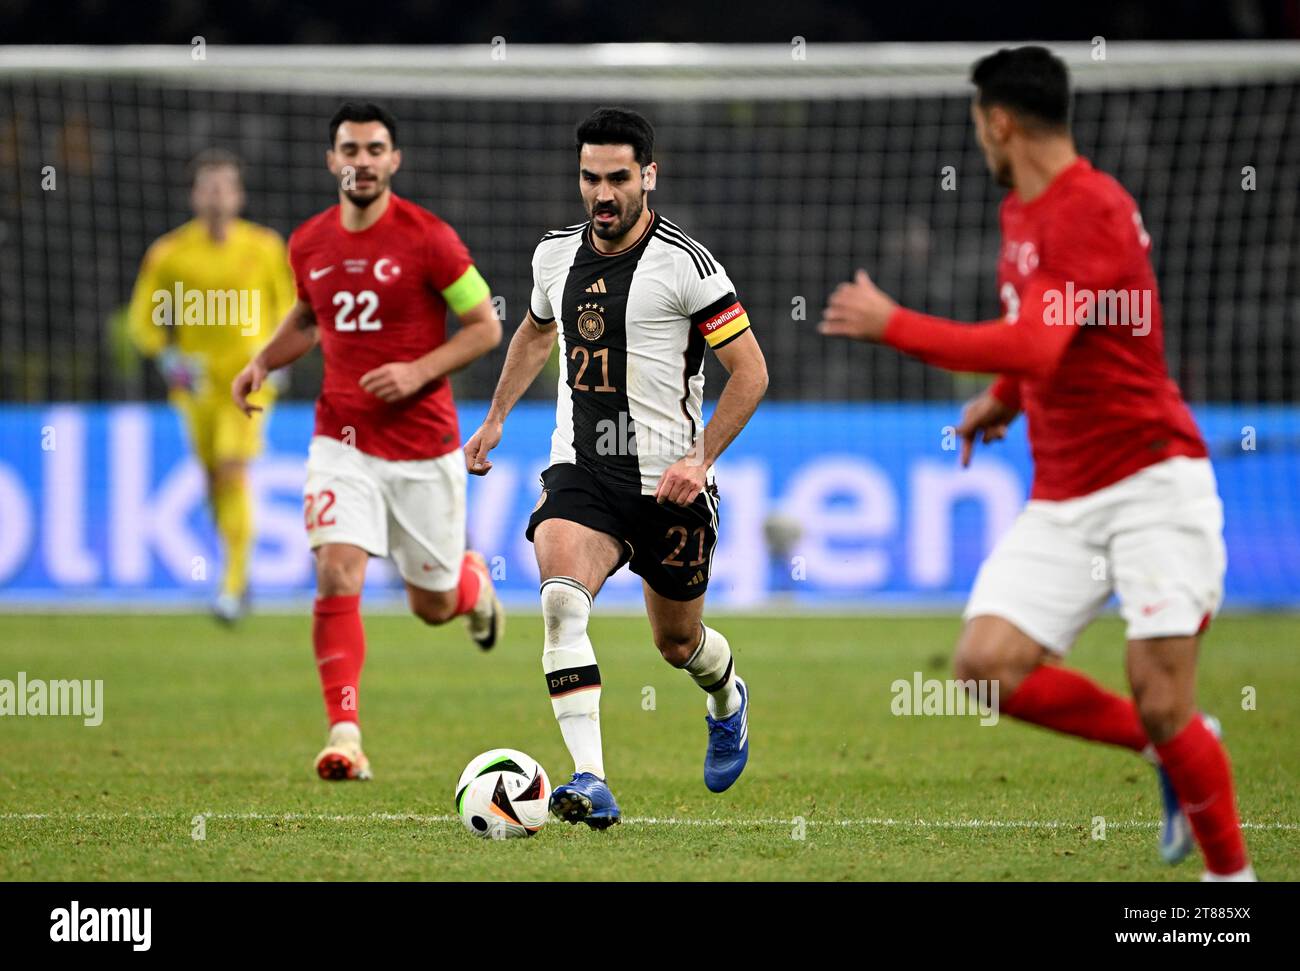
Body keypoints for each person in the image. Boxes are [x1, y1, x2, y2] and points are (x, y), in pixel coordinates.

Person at [819, 46, 1253, 881]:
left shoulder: (1089, 206)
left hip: (1152, 480)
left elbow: (1036, 340)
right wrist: (1006, 398)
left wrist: (894, 321)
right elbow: (1057, 344)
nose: (976, 137)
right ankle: (1173, 749)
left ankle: (1231, 885)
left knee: (1163, 693)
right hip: (1065, 495)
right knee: (984, 666)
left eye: (977, 122)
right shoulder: (1023, 210)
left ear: (999, 120)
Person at [465, 108, 769, 829]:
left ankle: (728, 698)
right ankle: (590, 778)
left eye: (618, 179)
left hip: (673, 485)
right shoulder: (553, 255)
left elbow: (751, 372)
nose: (602, 194)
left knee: (678, 645)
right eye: (589, 178)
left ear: (648, 177)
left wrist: (701, 460)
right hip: (583, 471)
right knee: (561, 603)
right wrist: (497, 416)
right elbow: (536, 333)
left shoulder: (689, 266)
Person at [232, 102, 504, 781]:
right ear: (333, 161)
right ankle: (345, 735)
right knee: (335, 569)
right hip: (340, 442)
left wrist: (417, 369)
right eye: (349, 149)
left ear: (393, 160)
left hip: (423, 446)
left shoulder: (432, 238)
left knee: (432, 607)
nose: (362, 160)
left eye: (374, 149)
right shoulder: (308, 242)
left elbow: (484, 326)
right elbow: (308, 315)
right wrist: (264, 360)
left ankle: (473, 587)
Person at [128, 149, 295, 624]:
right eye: (209, 186)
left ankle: (231, 586)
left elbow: (291, 308)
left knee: (231, 467)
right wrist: (167, 357)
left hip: (250, 383)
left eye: (226, 185)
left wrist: (280, 357)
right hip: (196, 388)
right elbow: (144, 320)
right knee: (215, 478)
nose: (218, 195)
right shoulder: (169, 253)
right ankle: (238, 572)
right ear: (195, 195)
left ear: (239, 194)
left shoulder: (264, 248)